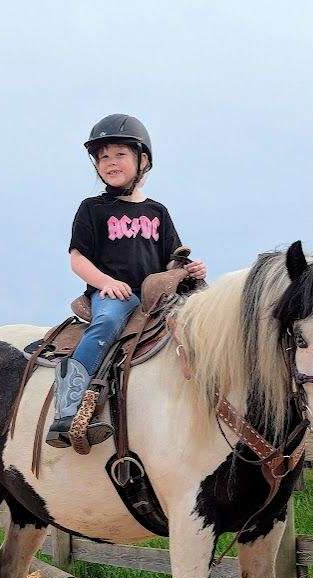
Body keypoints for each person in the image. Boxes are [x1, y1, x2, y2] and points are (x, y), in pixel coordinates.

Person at [46, 114, 207, 448]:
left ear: (142, 160)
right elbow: (78, 258)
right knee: (106, 324)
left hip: (155, 298)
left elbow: (171, 258)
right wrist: (105, 282)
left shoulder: (157, 212)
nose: (110, 162)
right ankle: (68, 407)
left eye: (119, 154)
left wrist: (188, 271)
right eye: (103, 157)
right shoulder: (92, 209)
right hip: (114, 296)